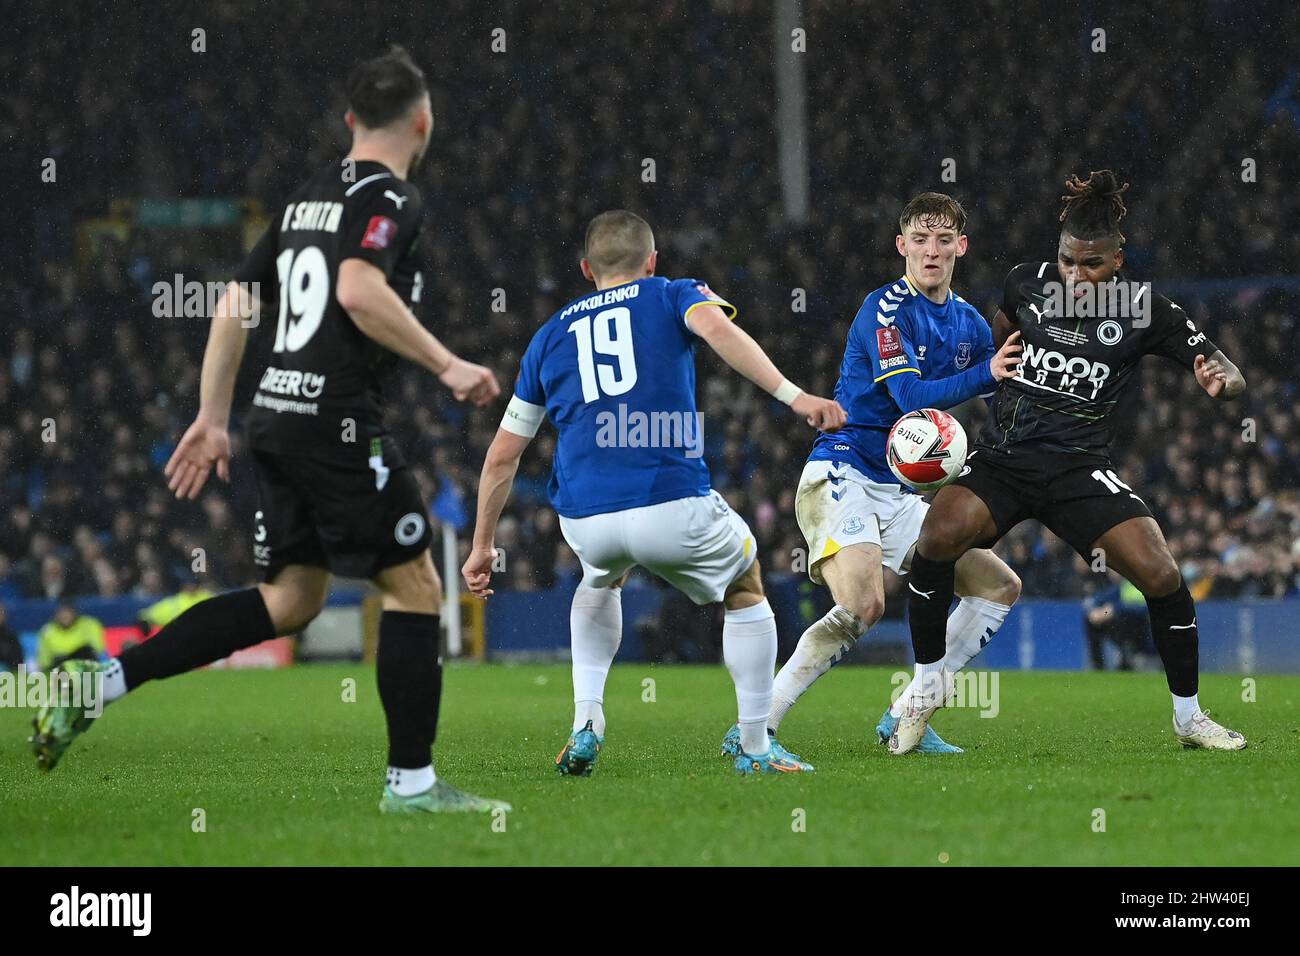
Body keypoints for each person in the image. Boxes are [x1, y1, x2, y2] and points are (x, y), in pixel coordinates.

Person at [32, 48, 512, 813]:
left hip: (274, 418)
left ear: (351, 119)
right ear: (424, 122)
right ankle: (412, 785)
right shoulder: (394, 197)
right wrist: (447, 362)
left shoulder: (304, 199)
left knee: (289, 600)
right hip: (336, 422)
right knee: (417, 587)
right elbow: (357, 289)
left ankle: (106, 681)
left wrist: (213, 417)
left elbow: (233, 303)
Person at [462, 209, 847, 776]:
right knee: (744, 584)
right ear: (652, 260)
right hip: (669, 501)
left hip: (584, 520)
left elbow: (501, 456)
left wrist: (481, 547)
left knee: (601, 578)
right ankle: (756, 746)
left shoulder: (548, 337)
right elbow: (717, 330)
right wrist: (795, 397)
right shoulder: (672, 293)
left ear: (585, 268)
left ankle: (587, 721)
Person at [893, 170, 1248, 753]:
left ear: (1118, 259)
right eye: (1067, 261)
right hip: (1004, 461)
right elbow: (998, 344)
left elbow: (1225, 371)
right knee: (936, 538)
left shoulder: (1144, 310)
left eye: (1092, 265)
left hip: (1078, 470)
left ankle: (1189, 718)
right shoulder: (1023, 283)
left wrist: (1221, 381)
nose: (1076, 276)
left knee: (1162, 575)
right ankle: (925, 693)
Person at [724, 193, 1023, 756]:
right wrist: (987, 372)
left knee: (998, 587)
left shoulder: (969, 324)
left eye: (942, 240)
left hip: (900, 490)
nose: (930, 251)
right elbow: (909, 396)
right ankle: (756, 730)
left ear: (961, 246)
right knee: (865, 605)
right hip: (843, 469)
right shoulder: (884, 308)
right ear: (901, 246)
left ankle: (911, 710)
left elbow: (996, 388)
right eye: (919, 239)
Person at [37, 601, 106, 671]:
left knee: (86, 651)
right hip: (60, 666)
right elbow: (44, 659)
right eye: (61, 613)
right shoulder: (47, 630)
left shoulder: (89, 625)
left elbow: (97, 649)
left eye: (68, 612)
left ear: (75, 613)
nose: (64, 616)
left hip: (83, 664)